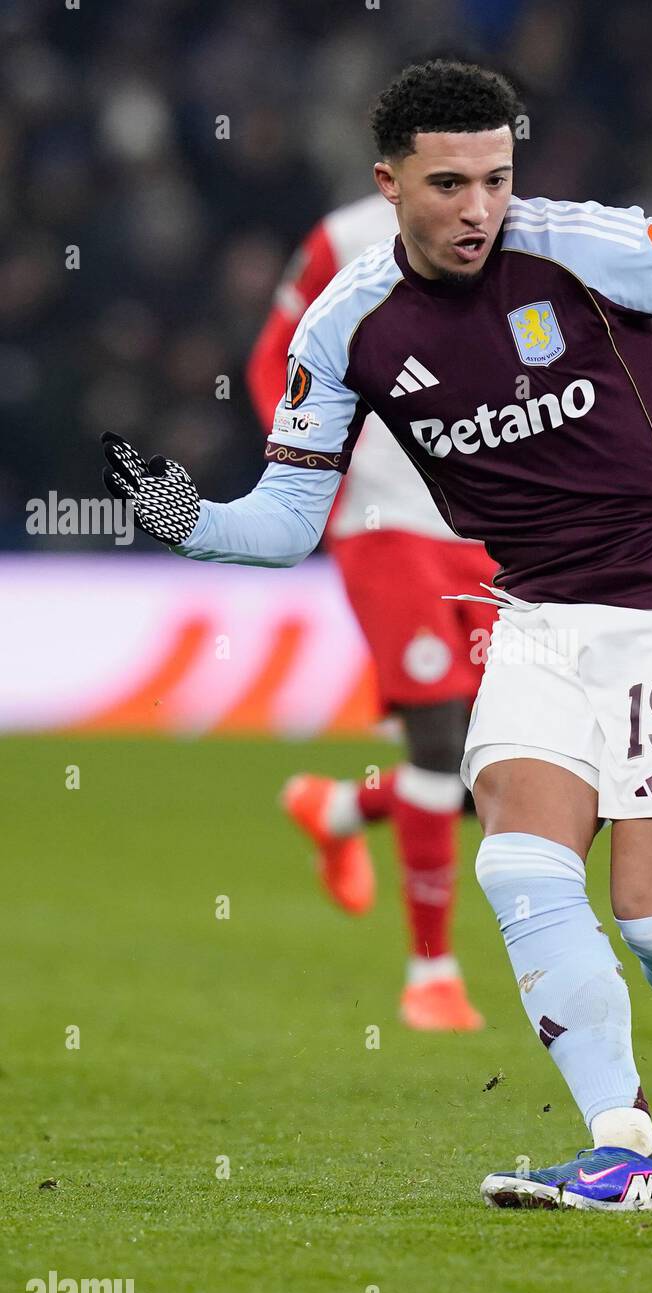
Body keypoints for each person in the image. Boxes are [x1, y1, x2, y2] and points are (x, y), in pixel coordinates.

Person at [99, 57, 652, 1213]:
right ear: (388, 184)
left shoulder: (580, 243)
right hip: (531, 613)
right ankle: (624, 1146)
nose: (478, 207)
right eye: (447, 184)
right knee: (521, 862)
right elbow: (284, 521)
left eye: (494, 177)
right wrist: (188, 523)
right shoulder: (347, 327)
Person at [246, 193, 497, 1033]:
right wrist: (312, 475)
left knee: (496, 767)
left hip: (495, 528)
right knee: (440, 743)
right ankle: (432, 973)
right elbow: (270, 363)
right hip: (386, 527)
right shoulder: (344, 238)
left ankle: (343, 808)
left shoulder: (531, 235)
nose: (475, 193)